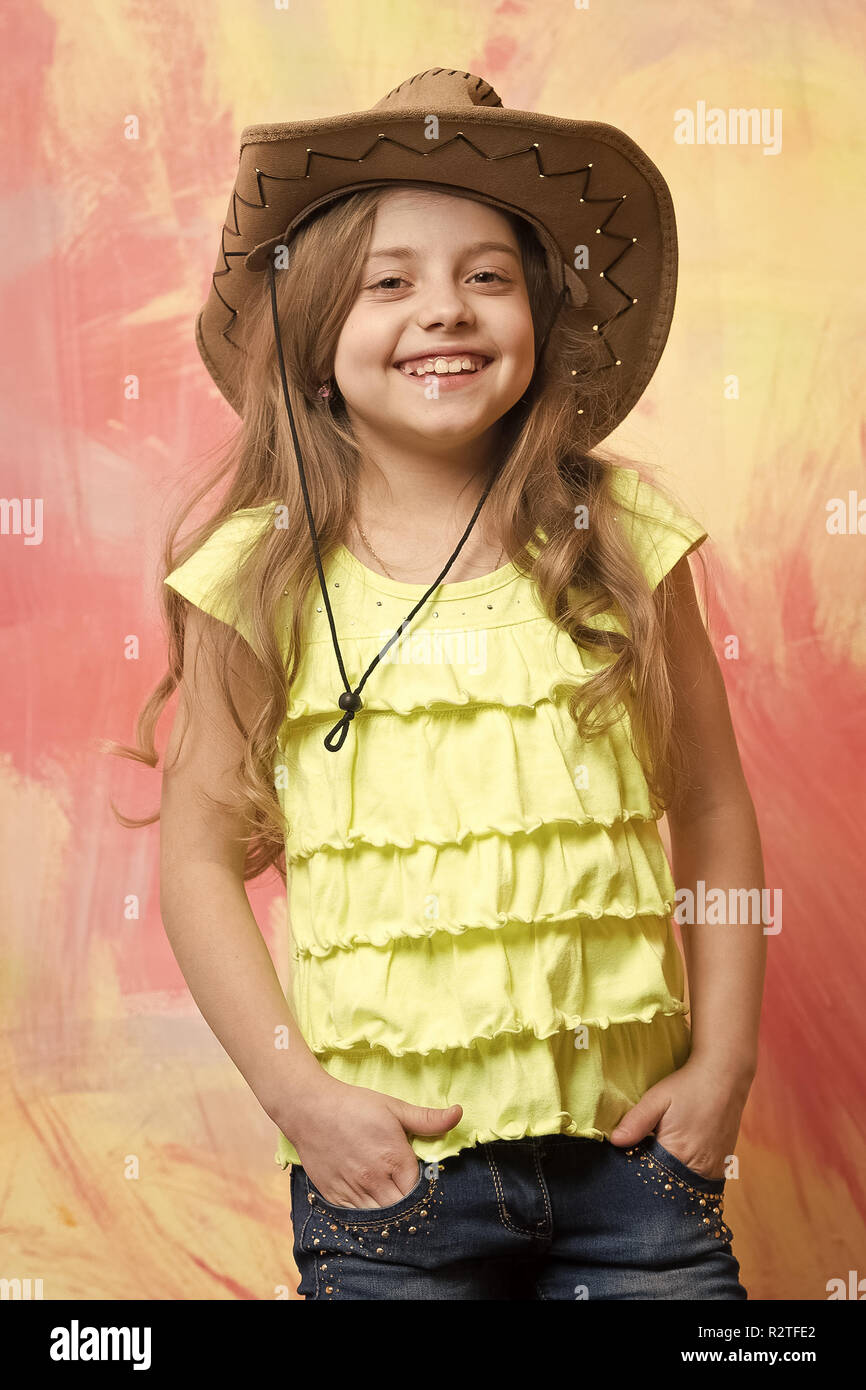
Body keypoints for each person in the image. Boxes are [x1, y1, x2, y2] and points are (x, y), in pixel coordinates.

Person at [119, 69, 766, 1299]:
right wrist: (295, 1095)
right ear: (315, 327)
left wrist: (722, 1061)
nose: (446, 313)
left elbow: (717, 813)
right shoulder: (257, 580)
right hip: (389, 1188)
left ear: (538, 313)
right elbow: (197, 860)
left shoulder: (618, 537)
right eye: (389, 280)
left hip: (637, 1175)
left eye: (486, 275)